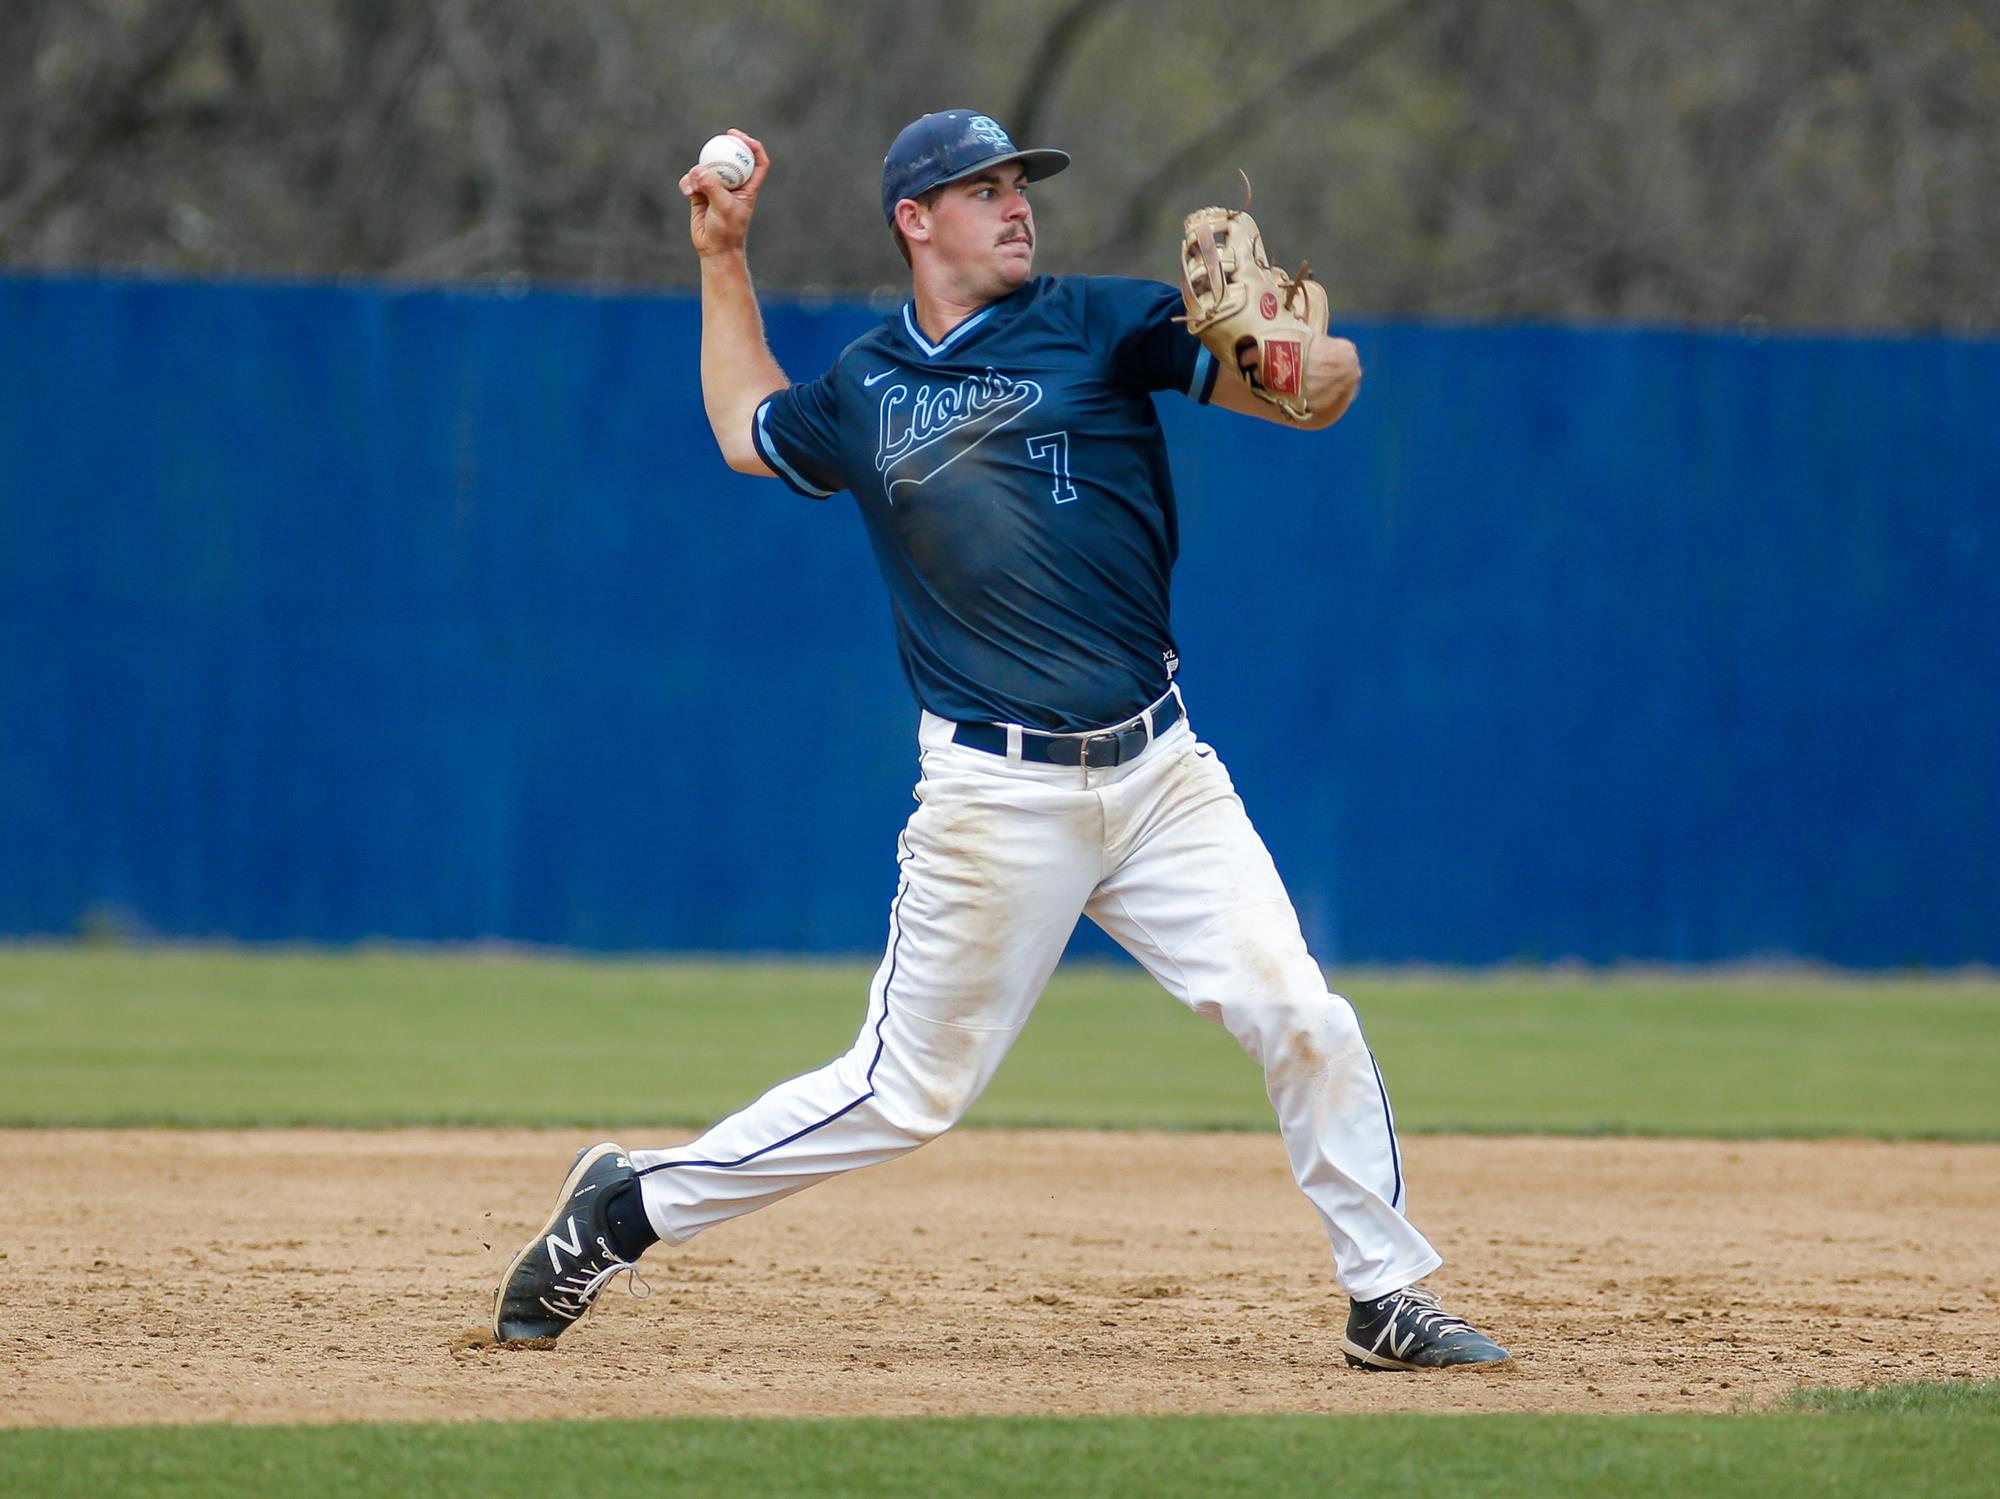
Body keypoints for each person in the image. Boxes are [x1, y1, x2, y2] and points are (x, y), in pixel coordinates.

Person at [492, 110, 1509, 1371]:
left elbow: (1313, 395)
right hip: (994, 794)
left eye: (1018, 181)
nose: (1015, 202)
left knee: (1300, 1012)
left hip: (1158, 773)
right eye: (979, 188)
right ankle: (623, 1207)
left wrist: (1302, 354)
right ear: (914, 221)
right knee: (903, 1093)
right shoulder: (865, 387)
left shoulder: (1100, 320)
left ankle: (1385, 1293)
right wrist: (721, 256)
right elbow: (743, 426)